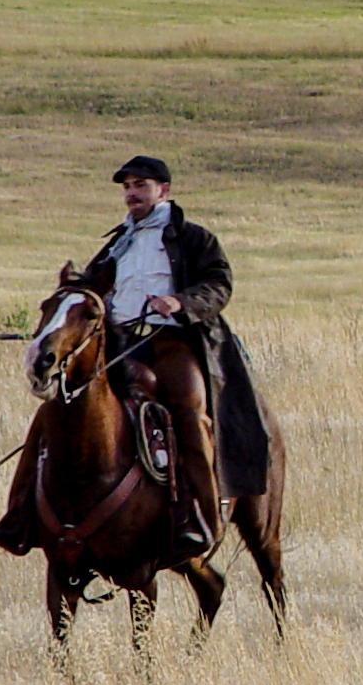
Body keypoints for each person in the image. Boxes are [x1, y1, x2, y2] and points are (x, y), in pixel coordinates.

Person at [75, 155, 268, 560]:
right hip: (122, 344)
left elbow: (219, 284)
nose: (131, 193)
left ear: (164, 191)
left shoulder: (193, 238)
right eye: (127, 187)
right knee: (70, 405)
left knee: (190, 414)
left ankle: (203, 516)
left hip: (173, 342)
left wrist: (178, 302)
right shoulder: (116, 245)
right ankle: (27, 511)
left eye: (140, 185)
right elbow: (91, 290)